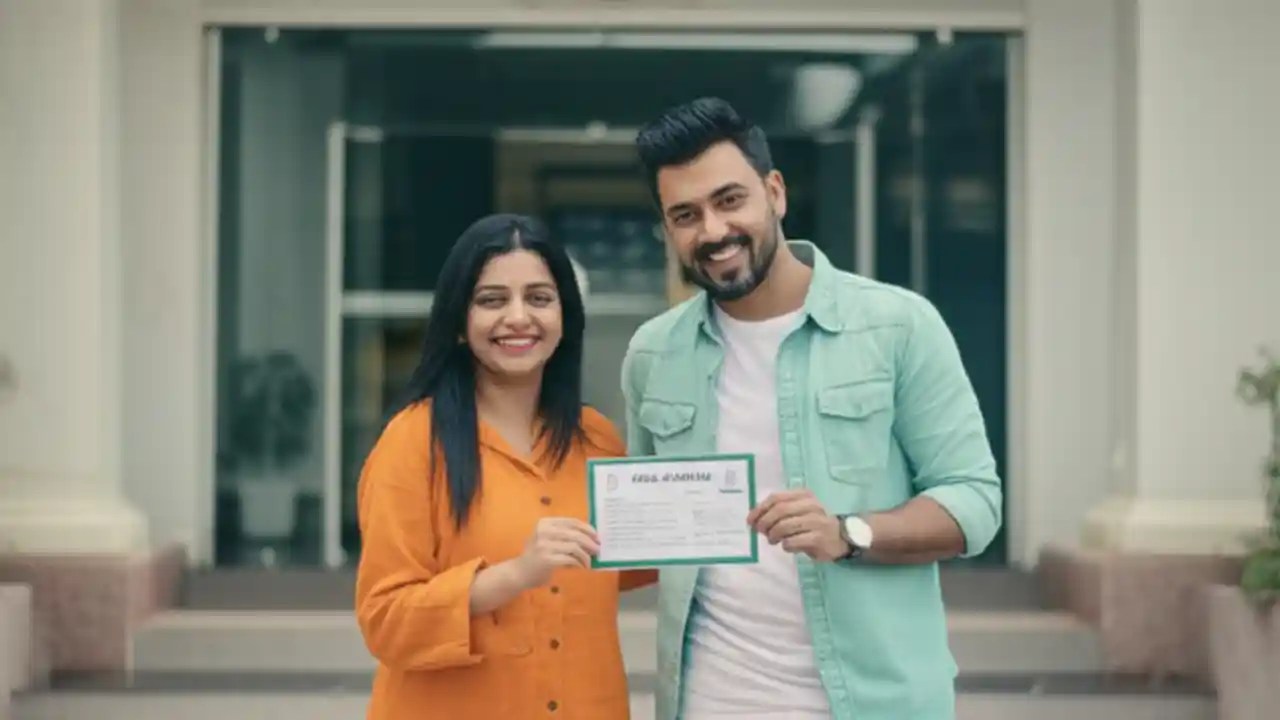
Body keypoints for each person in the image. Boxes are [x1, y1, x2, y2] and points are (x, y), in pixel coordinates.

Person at [622, 98, 1002, 720]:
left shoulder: (898, 325)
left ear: (774, 193)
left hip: (870, 703)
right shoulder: (652, 352)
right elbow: (650, 524)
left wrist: (848, 533)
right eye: (685, 215)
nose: (712, 231)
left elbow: (975, 502)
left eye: (729, 200)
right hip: (709, 703)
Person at [355, 213, 654, 720]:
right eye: (492, 300)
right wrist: (514, 575)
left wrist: (715, 517)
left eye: (539, 298)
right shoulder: (412, 441)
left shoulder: (595, 438)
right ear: (458, 320)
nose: (518, 317)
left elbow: (623, 562)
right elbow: (385, 620)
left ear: (565, 316)